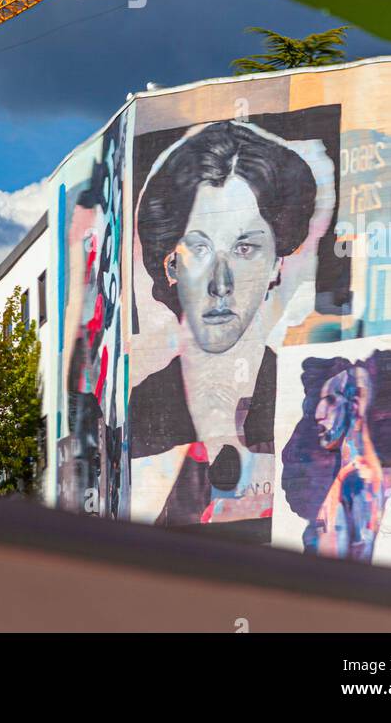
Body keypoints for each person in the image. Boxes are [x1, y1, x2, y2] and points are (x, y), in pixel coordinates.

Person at [130, 120, 318, 529]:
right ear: (171, 265)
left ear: (276, 264)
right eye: (199, 248)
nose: (221, 284)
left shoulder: (306, 400)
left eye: (245, 248)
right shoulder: (137, 410)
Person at [310, 363, 384, 560]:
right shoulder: (352, 474)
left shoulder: (358, 477)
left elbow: (357, 560)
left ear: (355, 404)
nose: (319, 414)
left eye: (331, 400)